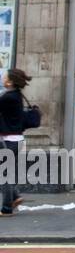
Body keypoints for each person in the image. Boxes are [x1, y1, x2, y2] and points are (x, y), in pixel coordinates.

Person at [0, 68, 30, 217]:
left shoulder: (8, 97)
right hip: (14, 139)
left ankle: (6, 208)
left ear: (10, 81)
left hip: (9, 141)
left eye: (4, 77)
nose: (2, 78)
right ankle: (15, 196)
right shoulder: (16, 95)